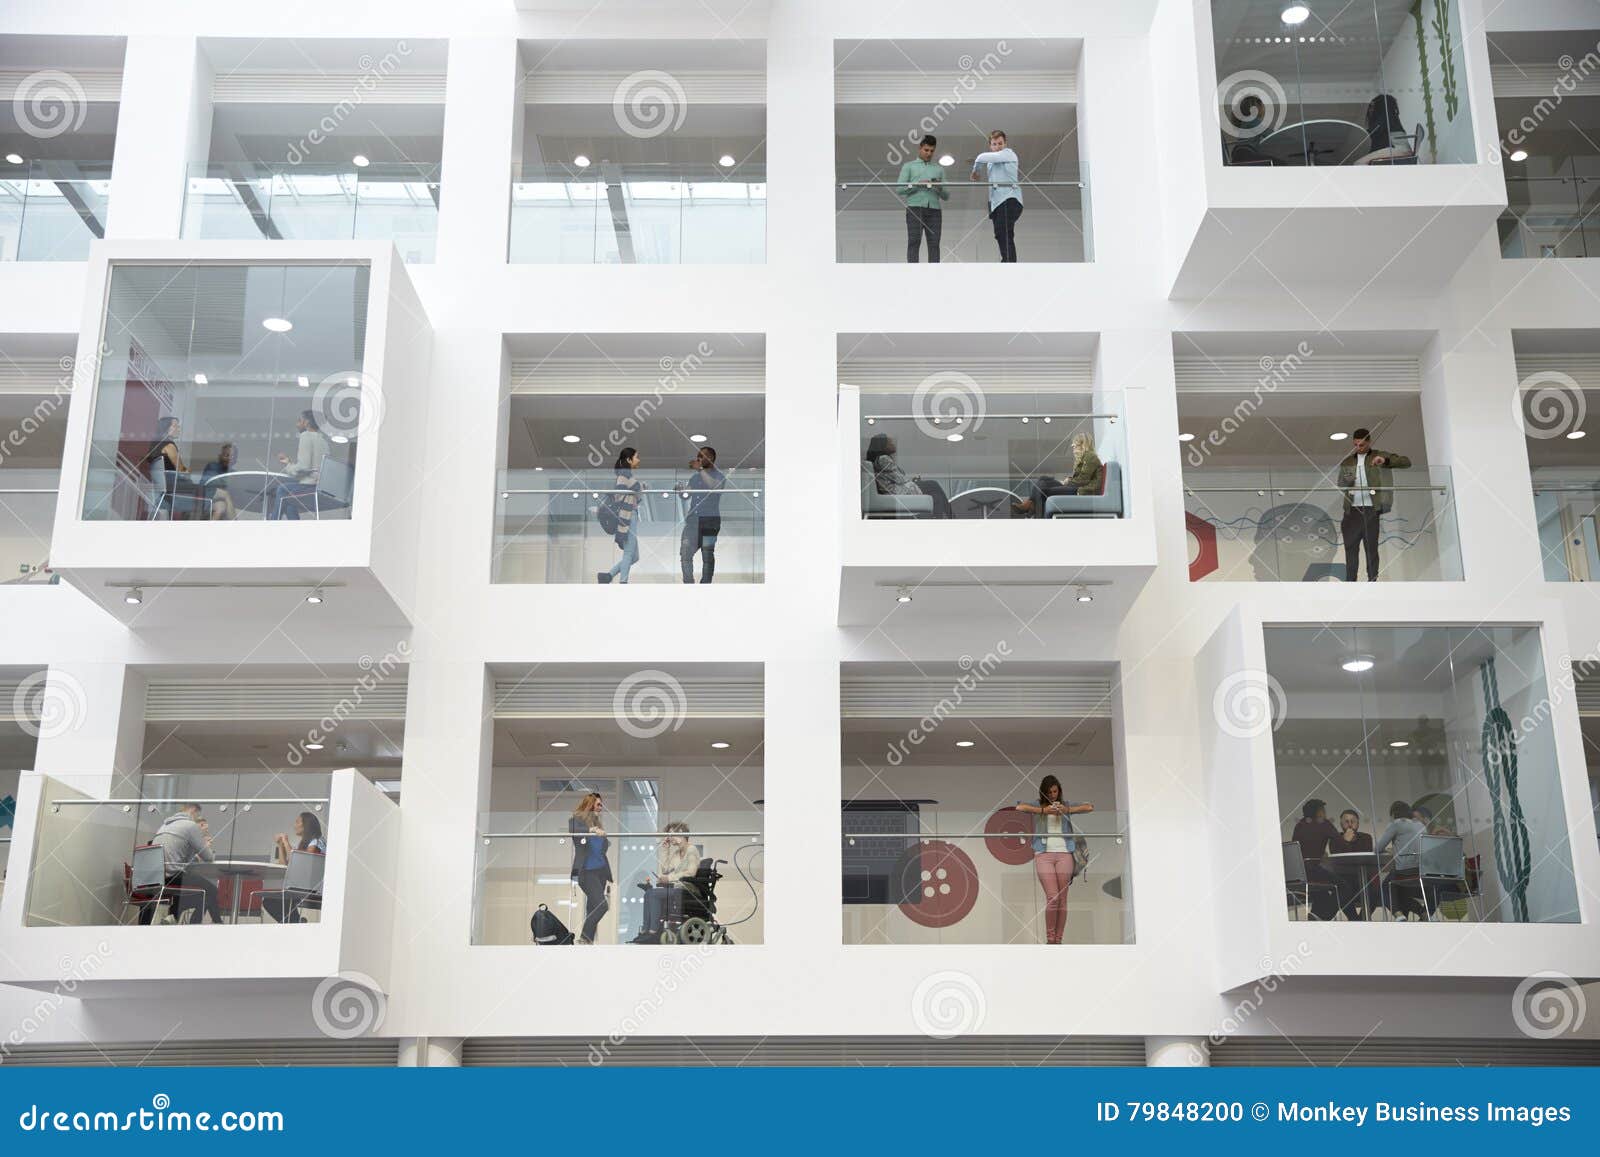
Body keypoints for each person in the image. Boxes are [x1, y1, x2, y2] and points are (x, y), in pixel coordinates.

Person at [1015, 775, 1094, 945]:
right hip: (1043, 854)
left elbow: (1089, 807)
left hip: (1065, 853)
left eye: (1055, 791)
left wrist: (1067, 810)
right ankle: (1050, 939)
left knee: (1063, 899)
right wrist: (1044, 811)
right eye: (1049, 792)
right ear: (1044, 792)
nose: (1053, 795)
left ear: (1059, 791)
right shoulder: (1038, 804)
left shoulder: (1065, 804)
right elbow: (1019, 807)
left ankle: (1058, 940)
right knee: (1053, 897)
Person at [1337, 427, 1411, 582]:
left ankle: (1372, 581)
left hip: (1371, 509)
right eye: (1356, 445)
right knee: (1350, 548)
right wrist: (1348, 479)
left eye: (1362, 445)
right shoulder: (1347, 461)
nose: (1359, 448)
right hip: (1352, 510)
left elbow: (1406, 462)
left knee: (1371, 548)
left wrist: (1385, 461)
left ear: (1369, 442)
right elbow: (1341, 482)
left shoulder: (1380, 455)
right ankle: (1350, 583)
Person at [143, 802, 222, 925]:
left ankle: (173, 917)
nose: (197, 818)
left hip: (155, 878)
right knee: (211, 891)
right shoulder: (190, 826)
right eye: (197, 815)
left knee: (200, 895)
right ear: (193, 810)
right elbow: (208, 857)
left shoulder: (164, 826)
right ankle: (196, 925)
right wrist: (207, 847)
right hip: (173, 876)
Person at [1012, 432, 1102, 517]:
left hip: (1082, 490)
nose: (1073, 448)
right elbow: (1081, 478)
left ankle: (1034, 511)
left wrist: (1067, 482)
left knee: (1043, 491)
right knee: (1043, 479)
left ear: (1082, 445)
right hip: (1075, 487)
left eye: (1074, 445)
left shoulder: (1090, 457)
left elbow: (1083, 480)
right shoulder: (1085, 458)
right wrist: (1068, 480)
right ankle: (1029, 505)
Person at [864, 433, 952, 519]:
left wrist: (913, 481)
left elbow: (896, 478)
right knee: (933, 484)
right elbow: (899, 479)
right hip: (898, 492)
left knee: (936, 496)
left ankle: (939, 518)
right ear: (883, 446)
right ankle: (950, 516)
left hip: (898, 490)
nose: (893, 444)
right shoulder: (883, 458)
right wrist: (914, 482)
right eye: (890, 443)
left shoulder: (880, 459)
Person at [639, 821, 701, 940]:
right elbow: (665, 868)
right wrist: (665, 849)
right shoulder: (677, 853)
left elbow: (691, 872)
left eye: (671, 834)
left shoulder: (692, 850)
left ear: (681, 833)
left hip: (688, 889)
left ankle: (653, 931)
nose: (669, 837)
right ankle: (646, 929)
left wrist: (669, 878)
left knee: (653, 894)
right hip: (678, 888)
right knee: (648, 893)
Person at [261, 811, 327, 924]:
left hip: (313, 887)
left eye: (297, 822)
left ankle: (295, 923)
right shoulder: (305, 844)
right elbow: (284, 865)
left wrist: (286, 841)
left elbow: (303, 862)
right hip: (300, 886)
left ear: (306, 825)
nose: (294, 825)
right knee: (269, 901)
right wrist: (281, 845)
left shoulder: (318, 841)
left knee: (275, 901)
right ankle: (296, 923)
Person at [971, 130, 1023, 262]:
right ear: (990, 146)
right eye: (994, 144)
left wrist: (975, 171)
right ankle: (1008, 260)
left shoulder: (1008, 154)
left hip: (1010, 200)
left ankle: (1009, 262)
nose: (998, 147)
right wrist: (991, 207)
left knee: (1002, 231)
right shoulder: (991, 163)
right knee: (1002, 233)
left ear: (1005, 143)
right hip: (997, 203)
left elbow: (980, 158)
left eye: (1000, 143)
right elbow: (992, 186)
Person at [568, 792, 612, 944]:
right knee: (602, 906)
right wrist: (591, 831)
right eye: (599, 804)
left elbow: (603, 848)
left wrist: (602, 838)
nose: (601, 807)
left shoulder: (598, 823)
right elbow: (574, 831)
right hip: (586, 872)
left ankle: (587, 942)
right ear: (590, 804)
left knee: (593, 908)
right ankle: (584, 938)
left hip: (600, 873)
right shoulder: (577, 820)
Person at [897, 133, 948, 262]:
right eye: (926, 150)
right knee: (914, 241)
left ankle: (934, 274)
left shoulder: (939, 169)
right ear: (920, 148)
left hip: (935, 211)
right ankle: (914, 274)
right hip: (915, 209)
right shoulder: (908, 166)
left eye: (932, 151)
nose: (929, 153)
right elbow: (899, 189)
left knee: (934, 244)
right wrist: (917, 184)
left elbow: (946, 195)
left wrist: (938, 187)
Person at [272, 411, 332, 520]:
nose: (297, 424)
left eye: (299, 421)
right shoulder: (324, 442)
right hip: (321, 488)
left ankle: (272, 523)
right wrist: (289, 463)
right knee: (288, 496)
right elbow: (311, 468)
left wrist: (288, 466)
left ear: (306, 422)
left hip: (311, 487)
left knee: (282, 489)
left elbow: (303, 467)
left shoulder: (306, 436)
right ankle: (295, 526)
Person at [1374, 799, 1428, 919]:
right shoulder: (1420, 825)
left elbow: (1377, 849)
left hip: (1404, 871)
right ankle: (1423, 913)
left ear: (1393, 814)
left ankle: (1398, 915)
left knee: (1383, 887)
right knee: (1400, 892)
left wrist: (1390, 850)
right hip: (1422, 872)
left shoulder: (1396, 824)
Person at [1289, 798, 1340, 921]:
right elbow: (1339, 842)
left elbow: (1294, 849)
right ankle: (1324, 917)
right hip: (1314, 870)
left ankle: (1315, 917)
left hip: (1300, 874)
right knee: (1344, 887)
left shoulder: (1299, 825)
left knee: (1320, 893)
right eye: (1323, 810)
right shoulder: (1324, 824)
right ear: (1318, 812)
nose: (1325, 813)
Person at [680, 446, 725, 584]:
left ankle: (705, 584)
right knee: (685, 551)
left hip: (710, 521)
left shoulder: (718, 475)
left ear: (710, 458)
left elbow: (714, 487)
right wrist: (681, 491)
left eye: (701, 456)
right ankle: (688, 583)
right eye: (697, 456)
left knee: (707, 552)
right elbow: (686, 495)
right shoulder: (695, 477)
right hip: (693, 520)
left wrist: (700, 469)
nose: (698, 458)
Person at [599, 447, 644, 584]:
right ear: (629, 459)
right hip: (628, 516)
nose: (638, 460)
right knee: (629, 553)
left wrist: (638, 489)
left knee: (634, 556)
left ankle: (608, 576)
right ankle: (623, 583)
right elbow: (629, 492)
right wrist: (640, 487)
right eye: (636, 457)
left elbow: (635, 493)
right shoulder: (625, 474)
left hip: (629, 515)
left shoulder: (625, 474)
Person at [1329, 808, 1376, 921]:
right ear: (1341, 824)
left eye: (1353, 821)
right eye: (1346, 821)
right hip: (1344, 879)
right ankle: (1354, 919)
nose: (1350, 825)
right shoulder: (1335, 839)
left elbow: (1364, 856)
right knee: (1342, 892)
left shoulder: (1366, 838)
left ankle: (1361, 919)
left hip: (1363, 879)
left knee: (1376, 892)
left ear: (1358, 823)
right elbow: (1338, 857)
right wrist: (1345, 841)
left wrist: (1348, 841)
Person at [140, 416, 189, 519]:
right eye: (175, 426)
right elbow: (182, 470)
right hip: (172, 492)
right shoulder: (169, 445)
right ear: (166, 428)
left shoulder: (156, 445)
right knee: (220, 496)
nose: (179, 429)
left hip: (161, 494)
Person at [200, 442, 238, 521]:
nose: (229, 458)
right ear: (220, 456)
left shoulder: (234, 473)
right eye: (226, 455)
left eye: (232, 456)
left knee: (221, 507)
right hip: (206, 494)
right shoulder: (212, 466)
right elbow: (210, 483)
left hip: (218, 500)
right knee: (225, 494)